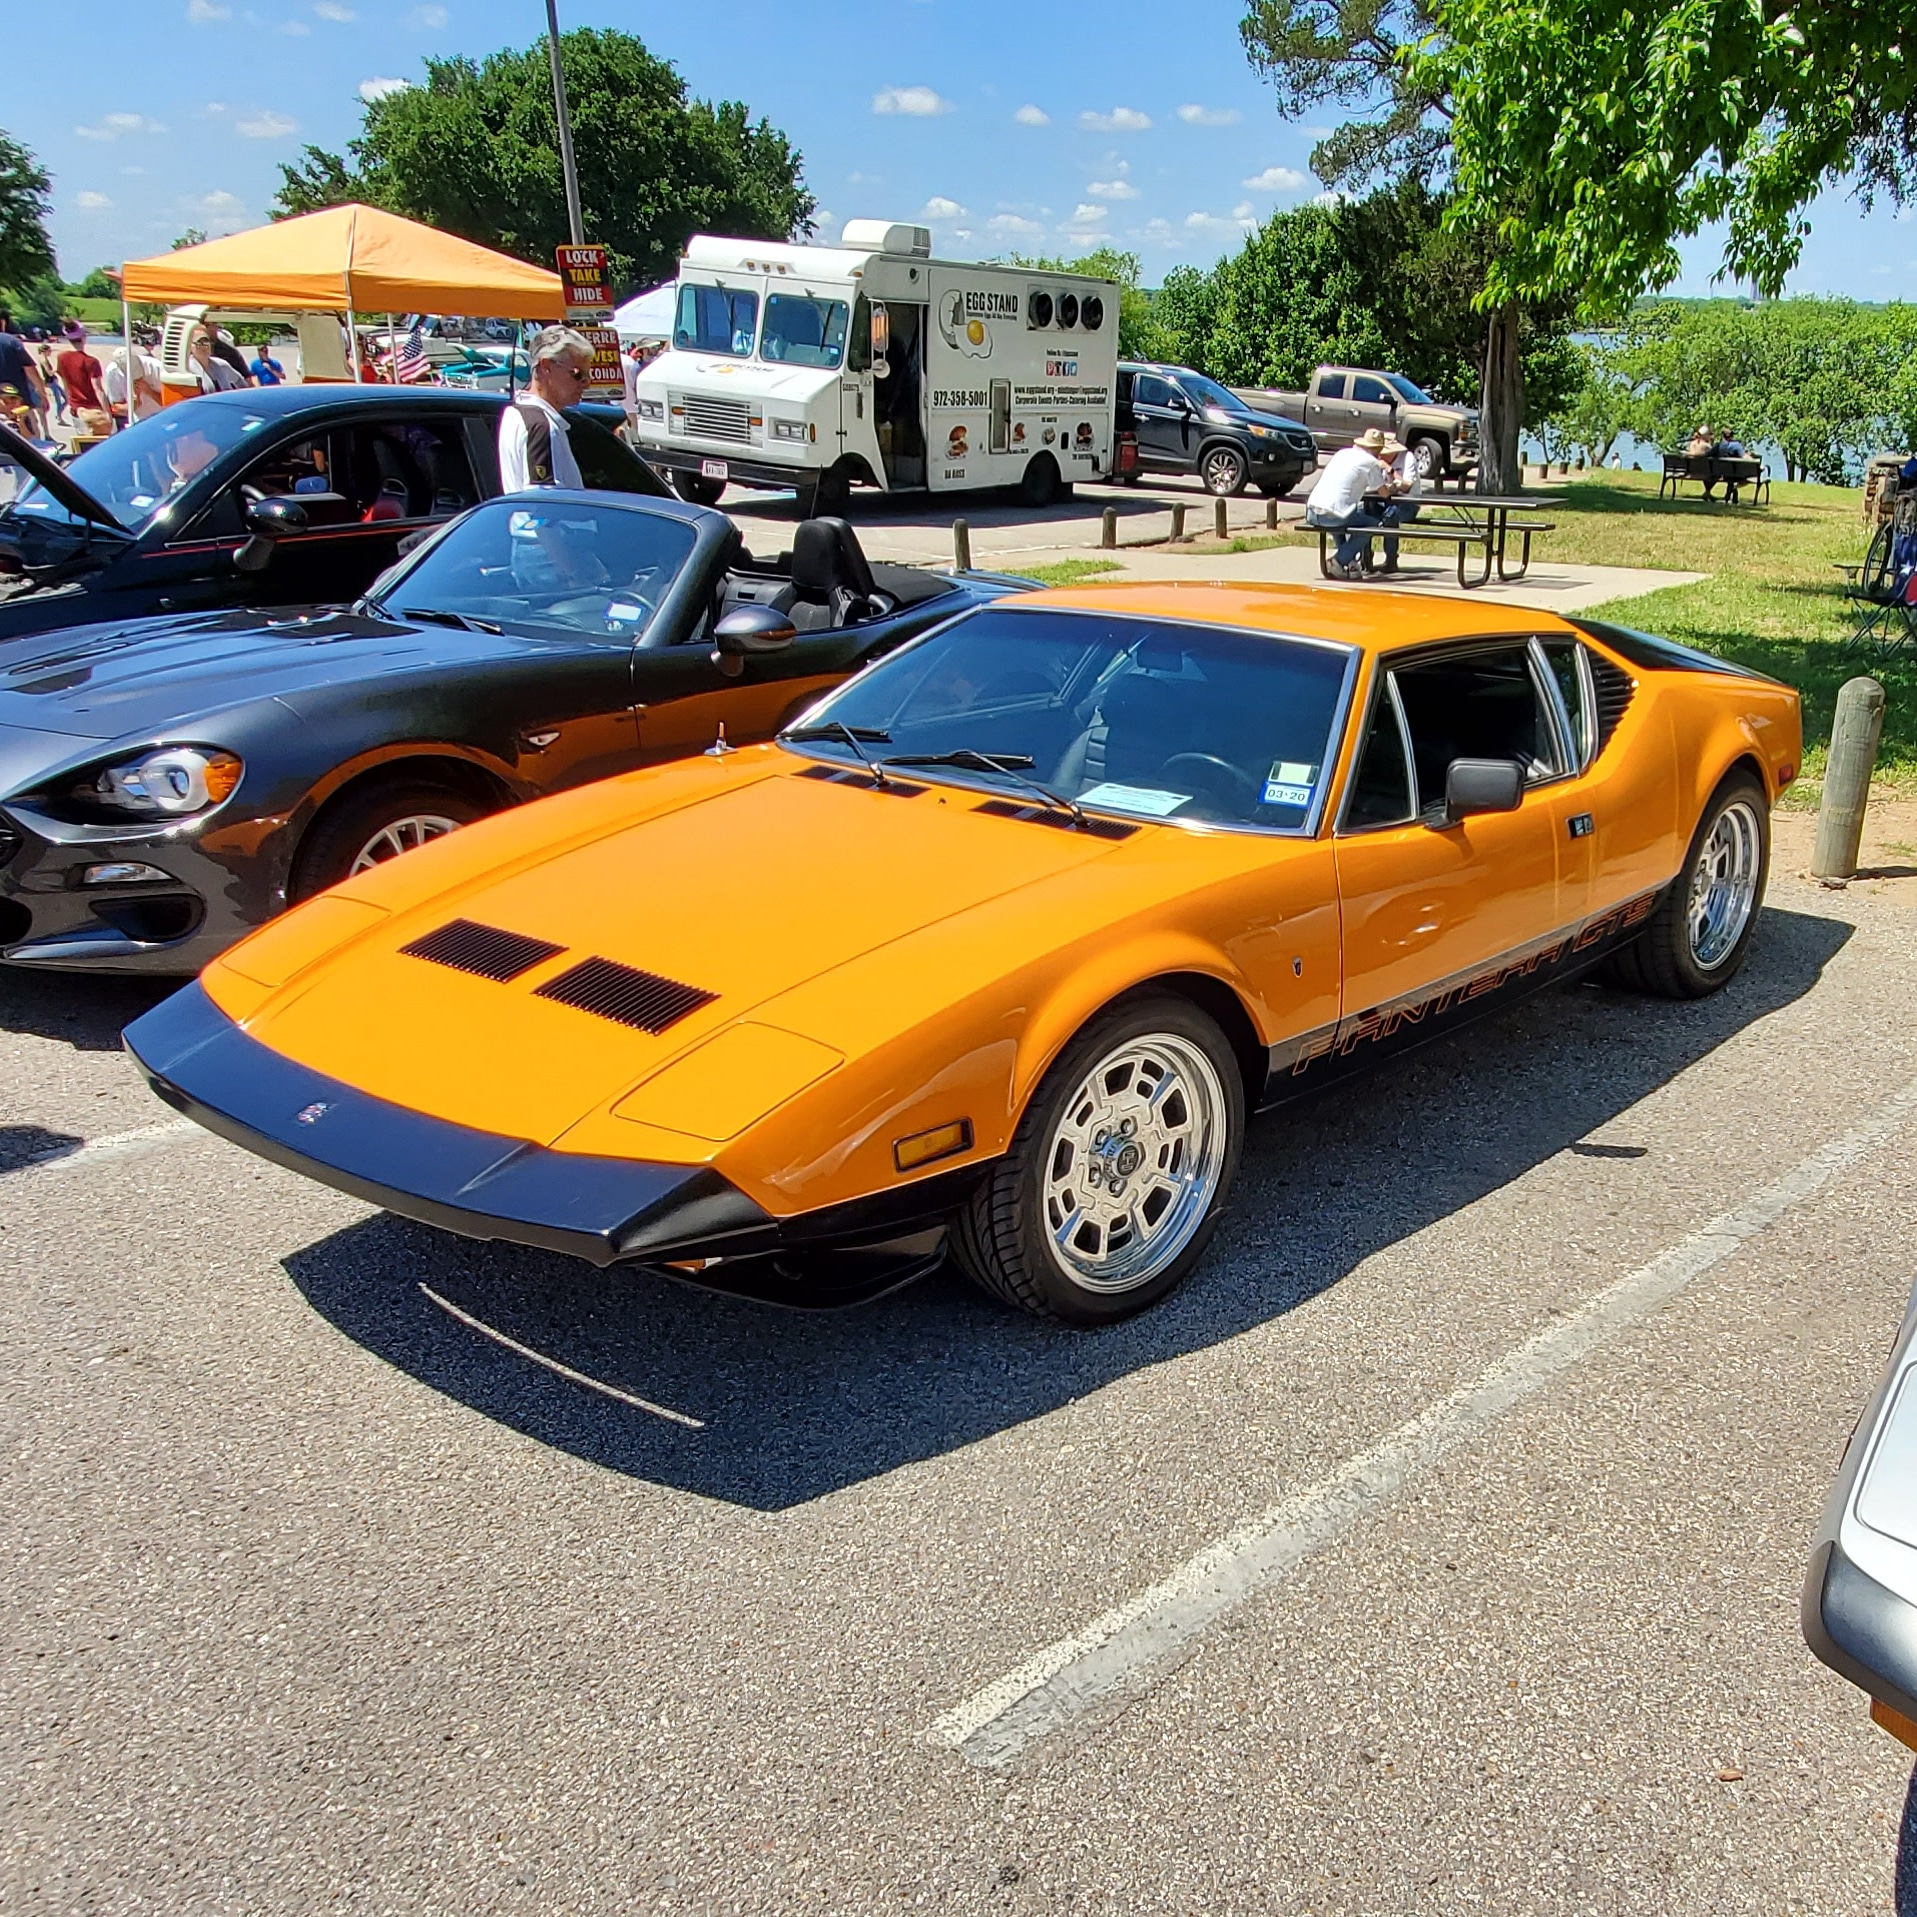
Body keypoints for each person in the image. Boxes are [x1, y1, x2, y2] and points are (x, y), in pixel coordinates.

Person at [497, 325, 594, 492]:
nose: (586, 383)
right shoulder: (542, 426)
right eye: (577, 374)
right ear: (546, 366)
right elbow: (544, 507)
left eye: (588, 374)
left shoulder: (516, 412)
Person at [1304, 427, 1400, 580]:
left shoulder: (1342, 453)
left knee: (1347, 520)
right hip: (1334, 514)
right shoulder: (1371, 463)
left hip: (1312, 510)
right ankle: (1339, 561)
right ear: (1377, 449)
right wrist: (1394, 487)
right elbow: (1384, 493)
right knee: (1372, 525)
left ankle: (1351, 563)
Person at [1377, 437, 1423, 575]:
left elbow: (1407, 487)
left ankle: (1391, 560)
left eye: (1383, 452)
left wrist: (1390, 470)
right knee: (1364, 511)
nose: (1380, 455)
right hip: (1385, 501)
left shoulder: (1408, 458)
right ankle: (1365, 559)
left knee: (1391, 515)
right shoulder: (1376, 460)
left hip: (1409, 504)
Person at [0, 308, 49, 437]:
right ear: (3, 322)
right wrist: (42, 393)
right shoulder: (11, 341)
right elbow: (30, 370)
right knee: (31, 439)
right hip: (18, 402)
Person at [56, 332, 111, 435]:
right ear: (83, 338)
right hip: (93, 408)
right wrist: (107, 412)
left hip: (76, 407)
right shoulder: (91, 361)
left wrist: (70, 402)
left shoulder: (62, 358)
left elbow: (65, 384)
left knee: (81, 440)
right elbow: (97, 388)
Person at [103, 339, 163, 425]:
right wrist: (132, 404)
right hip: (138, 421)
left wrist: (149, 391)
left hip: (161, 418)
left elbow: (170, 402)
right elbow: (116, 406)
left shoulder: (157, 367)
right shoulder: (113, 372)